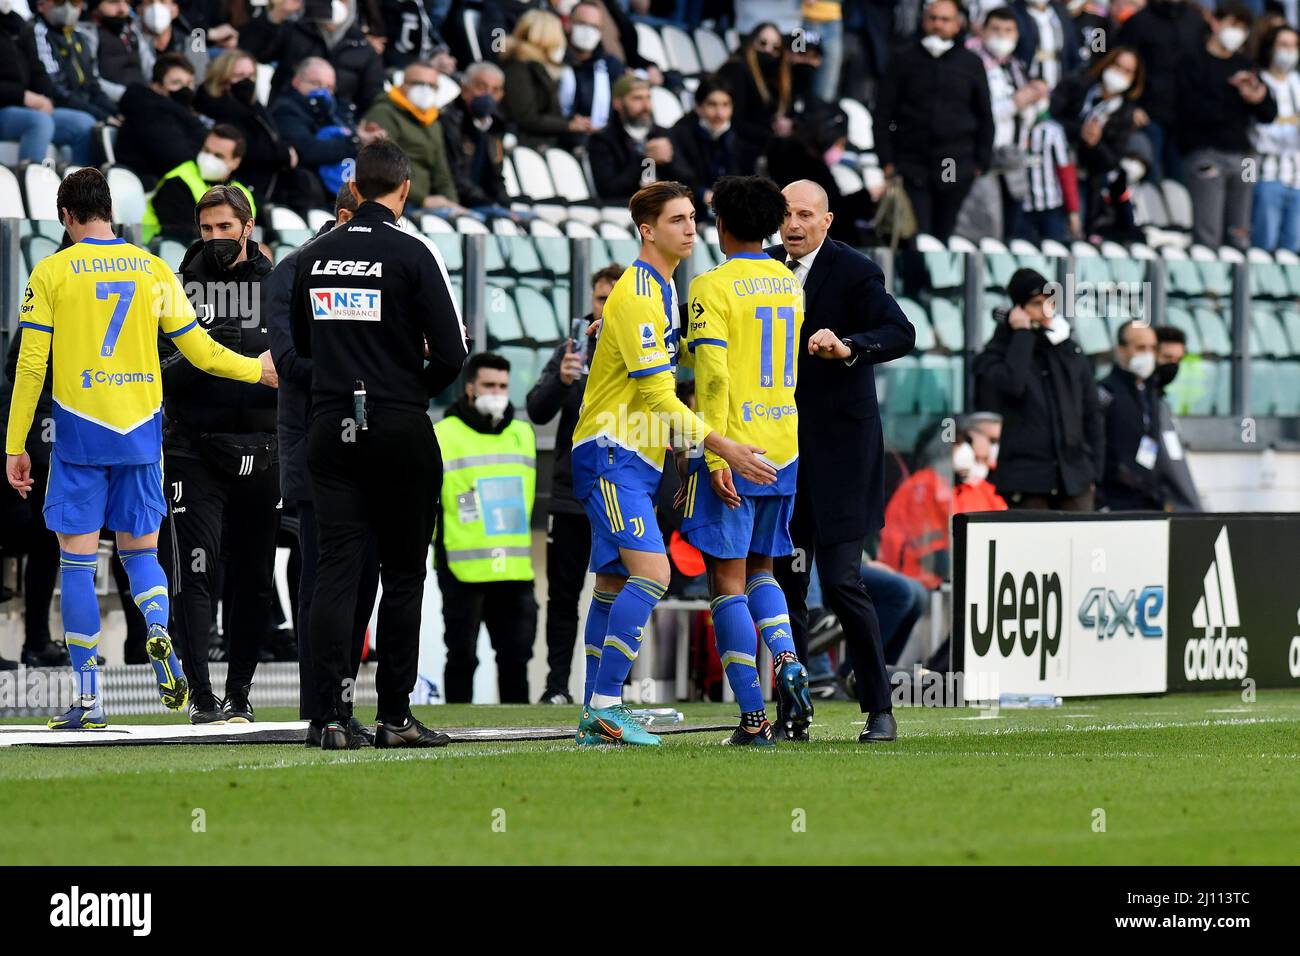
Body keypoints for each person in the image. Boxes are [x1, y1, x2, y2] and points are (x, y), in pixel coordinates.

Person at [4, 168, 276, 729]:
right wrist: (257, 372)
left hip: (80, 436)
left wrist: (16, 444)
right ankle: (156, 629)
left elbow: (30, 365)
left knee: (76, 564)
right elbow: (200, 351)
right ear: (111, 211)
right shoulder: (152, 268)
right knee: (141, 555)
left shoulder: (51, 271)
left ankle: (88, 700)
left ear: (65, 216)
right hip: (143, 435)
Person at [569, 180, 776, 747]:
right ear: (647, 230)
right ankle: (609, 706)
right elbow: (660, 397)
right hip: (613, 452)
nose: (691, 229)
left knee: (612, 583)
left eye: (692, 218)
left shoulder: (656, 289)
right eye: (678, 220)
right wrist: (725, 445)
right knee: (655, 573)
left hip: (634, 454)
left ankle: (594, 710)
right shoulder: (639, 293)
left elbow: (666, 351)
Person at [288, 140, 468, 750]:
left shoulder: (316, 256)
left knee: (335, 570)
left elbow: (303, 347)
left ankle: (332, 717)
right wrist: (405, 388)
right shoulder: (415, 251)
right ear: (404, 191)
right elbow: (453, 352)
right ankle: (394, 715)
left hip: (330, 424)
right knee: (404, 576)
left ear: (356, 190)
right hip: (396, 423)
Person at [767, 179, 914, 743]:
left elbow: (900, 332)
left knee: (844, 582)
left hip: (844, 457)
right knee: (786, 585)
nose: (794, 225)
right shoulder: (765, 271)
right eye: (785, 214)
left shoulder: (855, 271)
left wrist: (849, 346)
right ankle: (792, 715)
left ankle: (879, 711)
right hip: (784, 451)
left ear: (827, 221)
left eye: (805, 214)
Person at [680, 175, 806, 748]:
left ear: (720, 224)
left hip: (736, 445)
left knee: (725, 583)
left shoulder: (711, 285)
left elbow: (713, 374)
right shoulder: (788, 282)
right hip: (784, 447)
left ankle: (753, 716)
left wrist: (715, 455)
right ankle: (788, 658)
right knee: (763, 571)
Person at [157, 185, 281, 724]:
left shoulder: (279, 287)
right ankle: (202, 697)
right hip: (193, 449)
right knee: (193, 571)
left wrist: (235, 350)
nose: (215, 239)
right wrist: (207, 350)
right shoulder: (176, 286)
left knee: (253, 577)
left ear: (247, 227)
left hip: (262, 447)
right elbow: (156, 372)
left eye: (225, 228)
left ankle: (241, 693)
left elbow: (294, 369)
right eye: (206, 230)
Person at [266, 183, 380, 746]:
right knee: (321, 581)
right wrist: (362, 376)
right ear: (343, 218)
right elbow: (288, 361)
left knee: (364, 584)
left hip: (369, 444)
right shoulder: (292, 272)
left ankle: (342, 701)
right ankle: (321, 713)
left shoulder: (374, 266)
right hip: (315, 445)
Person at [526, 263, 618, 705]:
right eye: (600, 298)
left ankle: (610, 687)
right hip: (570, 493)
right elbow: (537, 409)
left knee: (619, 590)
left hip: (621, 491)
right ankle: (557, 685)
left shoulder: (641, 345)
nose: (603, 306)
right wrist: (561, 381)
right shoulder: (574, 348)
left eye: (612, 297)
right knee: (563, 596)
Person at [434, 352, 538, 704]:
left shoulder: (523, 434)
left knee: (516, 661)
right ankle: (455, 731)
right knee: (461, 658)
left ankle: (521, 737)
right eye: (489, 385)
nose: (497, 392)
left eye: (503, 386)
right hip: (462, 568)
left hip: (514, 570)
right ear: (470, 388)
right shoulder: (444, 434)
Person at [973, 267, 1102, 511]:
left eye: (1050, 302)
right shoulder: (997, 353)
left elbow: (1092, 413)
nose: (1045, 311)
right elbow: (1012, 384)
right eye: (1036, 303)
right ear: (1017, 309)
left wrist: (1093, 471)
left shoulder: (1070, 351)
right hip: (1027, 482)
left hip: (1075, 481)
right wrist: (1022, 334)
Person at [874, 0, 994, 241]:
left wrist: (981, 162)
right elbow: (883, 113)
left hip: (956, 163)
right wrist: (886, 159)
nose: (938, 25)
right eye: (933, 18)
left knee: (944, 234)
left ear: (957, 25)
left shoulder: (971, 63)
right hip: (913, 164)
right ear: (924, 21)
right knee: (919, 236)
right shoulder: (903, 59)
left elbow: (984, 116)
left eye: (945, 19)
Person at [1177, 4, 1276, 251]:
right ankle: (1208, 287)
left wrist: (1257, 96)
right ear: (1215, 22)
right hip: (1207, 152)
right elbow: (1187, 110)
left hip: (1244, 157)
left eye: (1243, 28)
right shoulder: (1193, 60)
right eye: (1233, 24)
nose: (1237, 32)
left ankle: (1239, 283)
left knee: (1240, 231)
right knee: (1209, 231)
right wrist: (1229, 92)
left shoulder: (1244, 64)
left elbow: (1269, 114)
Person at [959, 7, 1046, 242]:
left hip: (1014, 160)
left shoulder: (1016, 66)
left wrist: (1036, 98)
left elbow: (1030, 113)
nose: (1002, 35)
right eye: (995, 29)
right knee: (983, 232)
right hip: (985, 159)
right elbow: (971, 114)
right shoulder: (970, 62)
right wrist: (1015, 103)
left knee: (1011, 232)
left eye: (1008, 30)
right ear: (982, 30)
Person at [1050, 47, 1147, 241]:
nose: (1119, 74)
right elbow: (1052, 116)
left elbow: (1111, 160)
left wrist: (1095, 143)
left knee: (1074, 236)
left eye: (1127, 72)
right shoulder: (1079, 85)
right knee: (1053, 233)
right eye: (1117, 66)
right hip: (1054, 168)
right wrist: (1080, 131)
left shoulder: (1124, 113)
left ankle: (1069, 272)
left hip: (1087, 180)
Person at [269, 57, 386, 211]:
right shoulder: (286, 110)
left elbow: (347, 138)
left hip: (341, 194)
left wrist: (364, 136)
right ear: (297, 81)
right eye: (315, 83)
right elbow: (307, 150)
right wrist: (356, 140)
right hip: (308, 197)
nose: (323, 91)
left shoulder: (337, 110)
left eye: (329, 87)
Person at [195, 50, 300, 211]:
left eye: (251, 75)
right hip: (236, 185)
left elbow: (270, 136)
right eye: (239, 75)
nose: (246, 81)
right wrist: (284, 154)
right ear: (223, 77)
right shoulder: (215, 106)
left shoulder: (254, 106)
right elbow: (248, 146)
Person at [241, 0, 385, 118]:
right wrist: (276, 15)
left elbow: (373, 98)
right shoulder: (294, 30)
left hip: (337, 125)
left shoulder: (363, 48)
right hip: (287, 117)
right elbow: (251, 53)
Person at [1116, 0, 1207, 182]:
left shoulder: (1196, 22)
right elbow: (1119, 63)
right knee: (1151, 181)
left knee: (1178, 185)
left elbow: (1205, 67)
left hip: (1184, 121)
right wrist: (1130, 106)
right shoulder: (1138, 23)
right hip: (1148, 117)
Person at [364, 58, 466, 217]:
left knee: (474, 220)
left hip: (423, 206)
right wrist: (423, 199)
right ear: (402, 84)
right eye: (418, 83)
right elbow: (383, 168)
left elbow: (442, 173)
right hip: (392, 203)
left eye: (432, 86)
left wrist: (453, 204)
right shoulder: (384, 113)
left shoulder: (433, 122)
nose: (426, 90)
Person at [0, 3, 97, 165]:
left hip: (27, 106)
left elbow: (37, 70)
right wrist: (23, 96)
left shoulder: (17, 25)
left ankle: (81, 187)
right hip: (8, 107)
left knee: (84, 124)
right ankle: (29, 185)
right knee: (39, 122)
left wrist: (46, 98)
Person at [142, 124, 255, 242]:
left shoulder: (244, 193)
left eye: (218, 156)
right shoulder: (178, 181)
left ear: (235, 162)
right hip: (158, 251)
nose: (208, 159)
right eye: (206, 150)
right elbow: (183, 236)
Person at [1097, 319, 1164, 511]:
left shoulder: (1150, 391)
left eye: (1152, 348)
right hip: (1116, 500)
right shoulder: (1105, 392)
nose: (1148, 354)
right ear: (1121, 349)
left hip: (1148, 498)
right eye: (1141, 347)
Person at [588, 74, 686, 204]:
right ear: (618, 103)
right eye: (637, 98)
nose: (646, 105)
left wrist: (670, 160)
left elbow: (689, 181)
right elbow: (608, 190)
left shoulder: (663, 134)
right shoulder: (602, 140)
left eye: (648, 98)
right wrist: (645, 159)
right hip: (628, 209)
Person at [500, 9, 589, 151]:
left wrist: (571, 122)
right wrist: (568, 125)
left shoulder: (539, 68)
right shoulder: (517, 67)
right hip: (525, 146)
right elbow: (526, 117)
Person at [114, 53, 207, 187]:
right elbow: (177, 156)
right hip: (147, 185)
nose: (185, 90)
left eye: (189, 83)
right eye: (176, 83)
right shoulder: (149, 111)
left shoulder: (179, 112)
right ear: (156, 86)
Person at [439, 61, 513, 219]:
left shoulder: (497, 126)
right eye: (482, 87)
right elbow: (454, 175)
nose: (488, 95)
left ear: (501, 95)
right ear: (465, 89)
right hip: (456, 202)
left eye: (495, 90)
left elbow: (496, 175)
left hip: (482, 203)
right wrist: (489, 204)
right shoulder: (449, 121)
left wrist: (505, 206)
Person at [28, 0, 119, 126]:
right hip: (55, 106)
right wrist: (101, 115)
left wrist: (115, 112)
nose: (68, 8)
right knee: (86, 123)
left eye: (75, 2)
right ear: (40, 5)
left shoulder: (78, 36)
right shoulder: (36, 32)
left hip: (83, 103)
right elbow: (55, 90)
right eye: (60, 2)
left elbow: (93, 85)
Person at [716, 22, 790, 173]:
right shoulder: (736, 69)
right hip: (737, 145)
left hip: (761, 144)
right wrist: (771, 136)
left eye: (775, 48)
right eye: (762, 43)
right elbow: (736, 122)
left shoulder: (774, 77)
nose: (768, 50)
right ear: (751, 43)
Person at [1252, 25, 1300, 252]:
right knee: (1263, 247)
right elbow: (1257, 136)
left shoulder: (1298, 83)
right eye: (1284, 45)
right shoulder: (1257, 82)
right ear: (1271, 47)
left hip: (1298, 180)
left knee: (1292, 253)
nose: (1289, 51)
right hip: (1265, 177)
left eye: (1294, 46)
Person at [668, 74, 740, 211]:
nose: (720, 114)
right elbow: (680, 176)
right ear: (698, 106)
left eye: (726, 105)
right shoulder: (679, 134)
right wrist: (702, 194)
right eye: (712, 105)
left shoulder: (737, 138)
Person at [1152, 325, 1202, 511]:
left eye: (1178, 360)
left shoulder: (1162, 403)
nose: (1172, 365)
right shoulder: (1137, 402)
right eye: (1167, 358)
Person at [558, 0, 624, 133]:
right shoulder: (554, 58)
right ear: (568, 23)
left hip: (598, 142)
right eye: (582, 24)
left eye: (594, 27)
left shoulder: (612, 67)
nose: (588, 31)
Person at [1008, 0, 1082, 91]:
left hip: (1060, 84)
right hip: (1027, 86)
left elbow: (1072, 49)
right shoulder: (1014, 11)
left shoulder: (1060, 10)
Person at [85, 0, 148, 102]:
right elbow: (91, 78)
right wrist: (125, 94)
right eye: (113, 2)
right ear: (95, 8)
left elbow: (150, 67)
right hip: (113, 101)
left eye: (127, 2)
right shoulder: (87, 34)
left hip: (145, 95)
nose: (122, 9)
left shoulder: (132, 32)